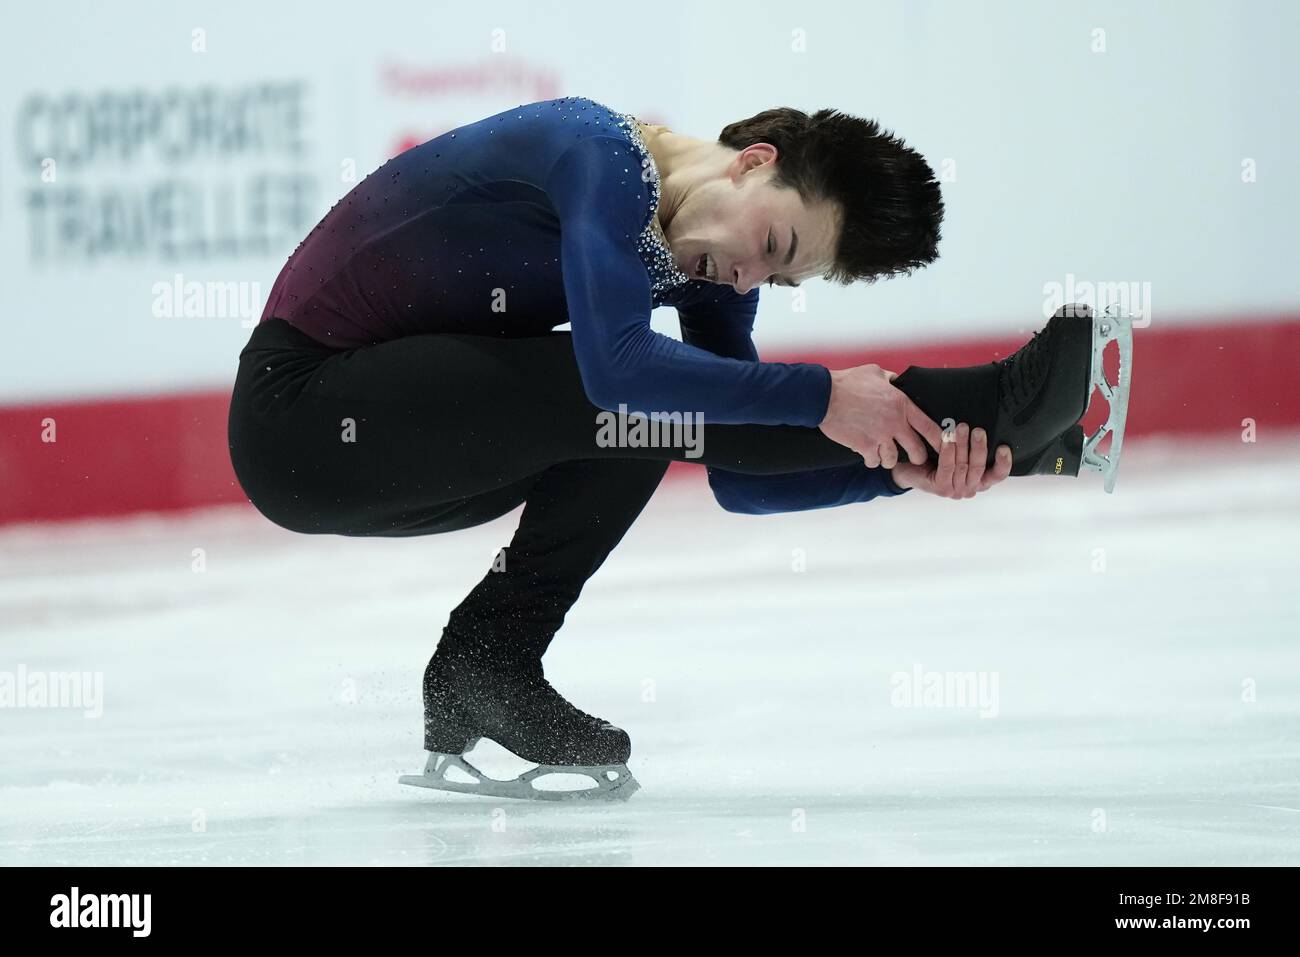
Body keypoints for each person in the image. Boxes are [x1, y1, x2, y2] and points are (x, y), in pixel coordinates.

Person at [227, 96, 1125, 801]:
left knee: (661, 405)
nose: (748, 278)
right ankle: (995, 401)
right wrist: (828, 396)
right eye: (771, 243)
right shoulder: (598, 156)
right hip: (301, 417)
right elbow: (621, 373)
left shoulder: (708, 261)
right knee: (630, 385)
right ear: (754, 162)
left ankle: (485, 666)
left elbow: (737, 467)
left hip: (410, 439)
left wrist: (904, 465)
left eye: (780, 276)